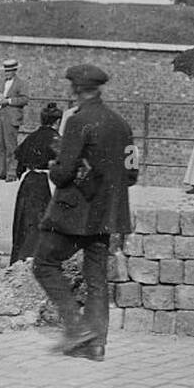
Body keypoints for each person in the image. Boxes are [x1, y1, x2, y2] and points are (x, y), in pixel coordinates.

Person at [34, 64, 138, 361]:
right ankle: (97, 345)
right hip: (106, 216)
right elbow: (131, 175)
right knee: (96, 278)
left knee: (43, 264)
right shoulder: (122, 124)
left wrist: (55, 166)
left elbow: (62, 174)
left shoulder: (78, 121)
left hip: (73, 214)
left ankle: (76, 328)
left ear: (76, 90)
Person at [11, 103, 63, 265]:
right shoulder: (56, 139)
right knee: (41, 222)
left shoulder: (31, 137)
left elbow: (19, 165)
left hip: (28, 182)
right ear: (58, 121)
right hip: (45, 184)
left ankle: (20, 258)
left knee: (24, 221)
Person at [0, 58, 30, 182]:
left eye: (10, 71)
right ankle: (0, 171)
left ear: (15, 71)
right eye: (5, 71)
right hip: (0, 116)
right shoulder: (2, 82)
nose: (7, 73)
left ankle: (11, 172)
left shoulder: (21, 83)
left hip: (12, 117)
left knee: (11, 145)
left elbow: (25, 99)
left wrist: (8, 101)